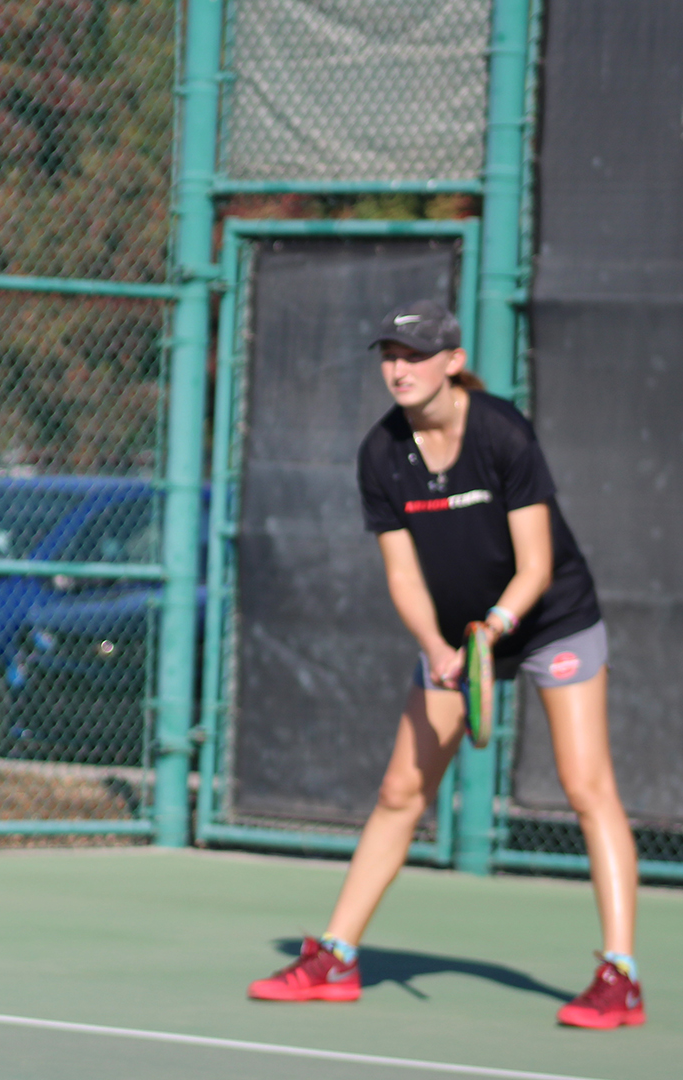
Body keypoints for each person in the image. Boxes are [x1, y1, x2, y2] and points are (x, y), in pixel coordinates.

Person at [244, 300, 644, 1030]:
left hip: (550, 619)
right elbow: (401, 574)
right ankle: (335, 958)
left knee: (588, 786)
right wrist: (436, 648)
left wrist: (493, 631)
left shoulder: (501, 432)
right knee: (401, 790)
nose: (398, 368)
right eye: (389, 354)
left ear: (452, 362)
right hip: (455, 640)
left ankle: (619, 977)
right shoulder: (380, 454)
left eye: (415, 354)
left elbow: (537, 563)